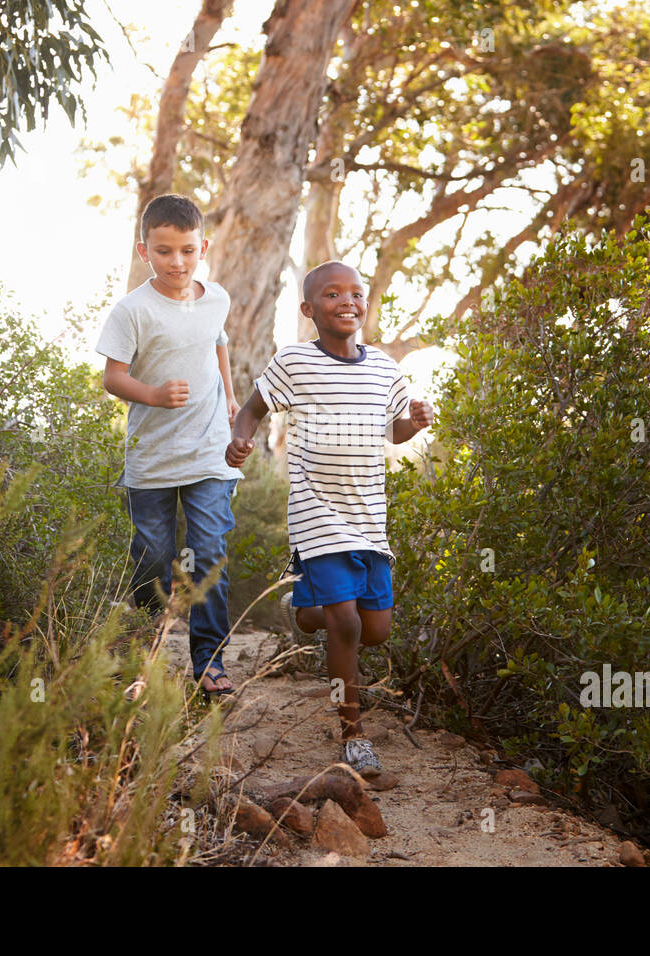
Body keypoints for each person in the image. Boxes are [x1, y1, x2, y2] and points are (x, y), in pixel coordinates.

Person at [225, 260, 434, 775]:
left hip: (368, 517)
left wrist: (417, 420)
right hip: (315, 512)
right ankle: (353, 734)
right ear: (308, 309)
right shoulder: (294, 362)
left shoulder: (386, 368)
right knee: (345, 625)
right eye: (332, 294)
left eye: (356, 294)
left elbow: (396, 432)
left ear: (365, 303)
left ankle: (306, 603)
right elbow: (252, 407)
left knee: (375, 629)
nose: (347, 302)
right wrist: (242, 437)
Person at [95, 194, 243, 701]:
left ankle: (209, 662)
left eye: (186, 250)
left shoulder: (216, 298)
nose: (176, 262)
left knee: (209, 557)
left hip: (208, 455)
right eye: (164, 252)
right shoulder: (132, 309)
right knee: (152, 559)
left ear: (202, 246)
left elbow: (218, 341)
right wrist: (154, 395)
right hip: (152, 460)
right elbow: (112, 377)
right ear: (144, 252)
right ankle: (147, 655)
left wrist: (229, 395)